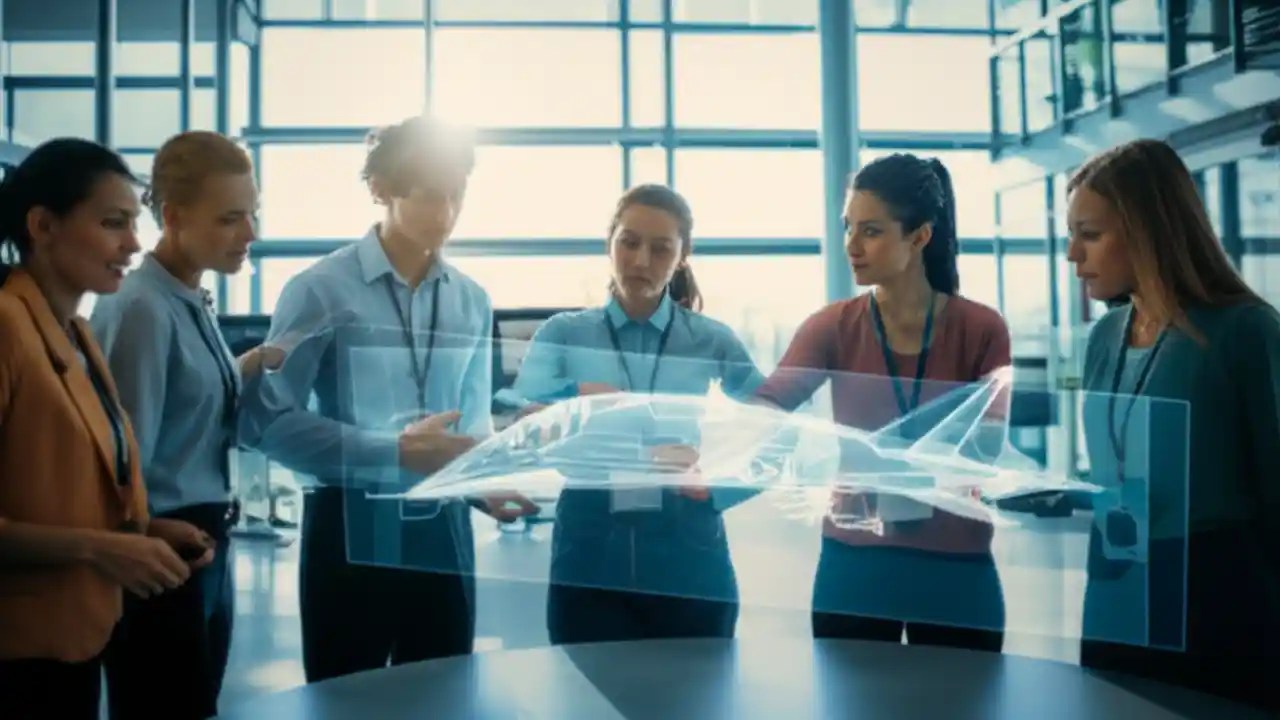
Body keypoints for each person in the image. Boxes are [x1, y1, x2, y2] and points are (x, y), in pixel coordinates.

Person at [240, 115, 536, 684]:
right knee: (347, 698)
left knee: (443, 695)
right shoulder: (320, 290)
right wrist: (393, 451)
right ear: (381, 189)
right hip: (349, 526)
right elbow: (267, 423)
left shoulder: (472, 301)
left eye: (457, 195)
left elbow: (471, 425)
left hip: (441, 526)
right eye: (430, 196)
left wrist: (485, 482)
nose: (446, 214)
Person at [754, 153, 1011, 652]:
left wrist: (878, 454)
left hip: (955, 568)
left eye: (870, 231)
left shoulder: (982, 328)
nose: (851, 245)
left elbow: (987, 443)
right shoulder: (831, 326)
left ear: (919, 237)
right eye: (849, 227)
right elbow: (770, 404)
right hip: (855, 564)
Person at [1067, 139, 1278, 712]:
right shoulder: (1104, 336)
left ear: (1147, 229)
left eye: (1089, 235)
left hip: (1215, 594)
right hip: (1116, 581)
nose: (1071, 255)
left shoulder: (1245, 330)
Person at [512, 184, 765, 644]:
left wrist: (719, 482)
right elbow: (519, 417)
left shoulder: (711, 339)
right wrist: (577, 395)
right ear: (609, 242)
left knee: (695, 701)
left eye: (660, 248)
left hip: (689, 549)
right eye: (629, 243)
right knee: (589, 700)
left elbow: (780, 424)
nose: (641, 261)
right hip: (590, 548)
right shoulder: (565, 332)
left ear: (683, 255)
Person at [0, 138, 200, 718]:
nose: (133, 245)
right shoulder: (8, 328)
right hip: (19, 650)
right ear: (43, 224)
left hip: (74, 636)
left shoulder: (75, 330)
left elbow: (59, 477)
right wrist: (99, 549)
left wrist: (144, 529)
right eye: (114, 224)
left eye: (134, 224)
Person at [91, 131, 275, 719]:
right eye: (230, 218)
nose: (250, 235)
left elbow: (184, 397)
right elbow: (121, 458)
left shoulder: (187, 298)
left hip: (204, 541)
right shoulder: (142, 307)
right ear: (172, 216)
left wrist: (249, 366)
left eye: (252, 214)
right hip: (163, 544)